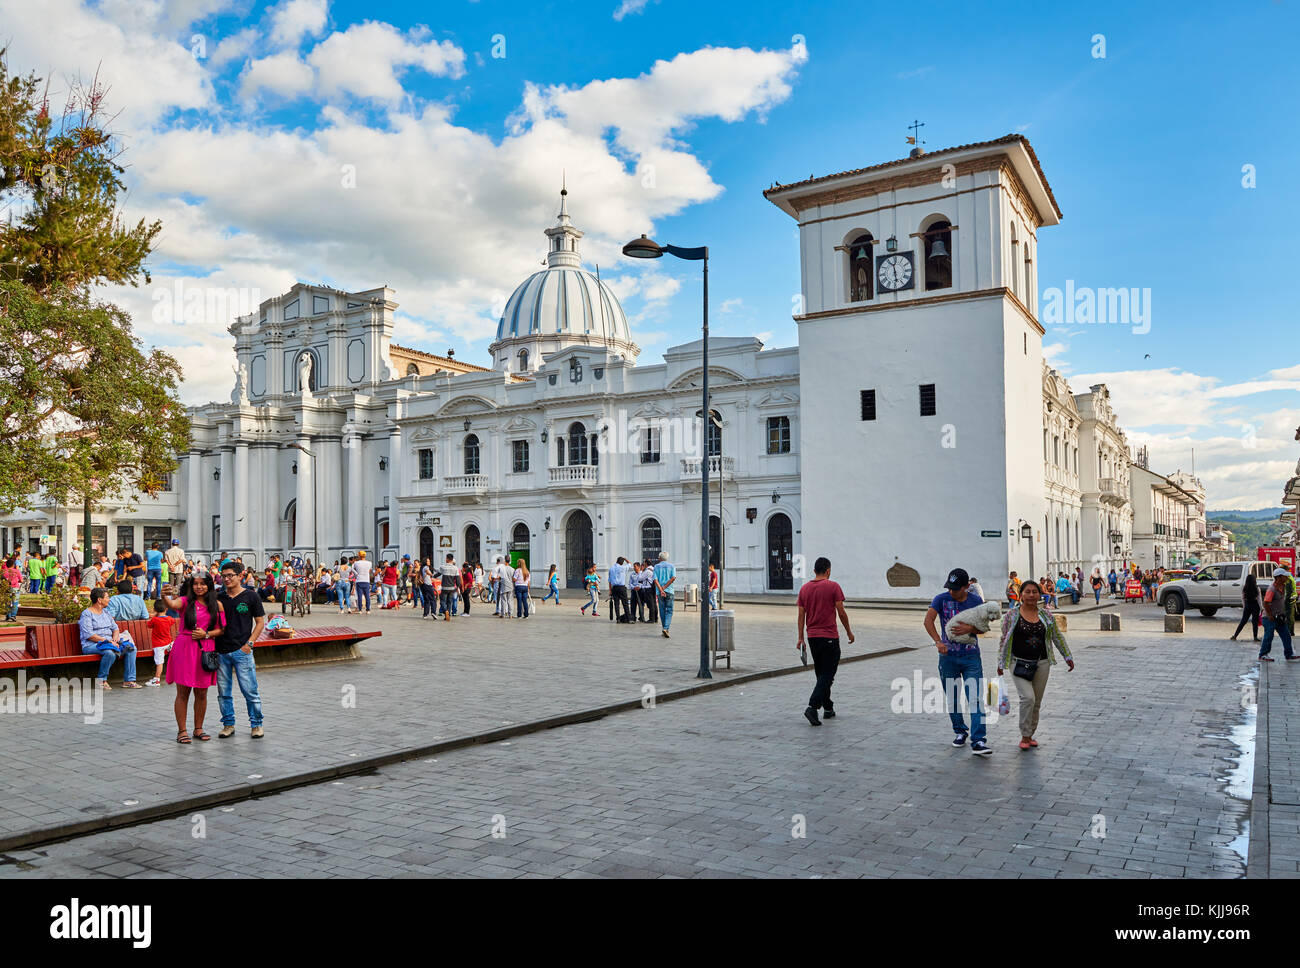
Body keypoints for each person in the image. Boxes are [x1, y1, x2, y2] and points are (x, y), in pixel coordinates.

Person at [996, 579, 1075, 750]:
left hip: (1042, 662)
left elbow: (1057, 636)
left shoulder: (1046, 615)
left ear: (1040, 594)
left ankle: (1030, 734)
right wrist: (1000, 662)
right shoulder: (1011, 616)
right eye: (1027, 592)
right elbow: (1004, 639)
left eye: (1035, 592)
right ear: (1021, 595)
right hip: (1017, 662)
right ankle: (1024, 735)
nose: (1031, 595)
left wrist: (1067, 656)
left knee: (1036, 701)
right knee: (1028, 698)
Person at [923, 567, 991, 755]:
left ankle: (979, 740)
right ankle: (960, 731)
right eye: (950, 588)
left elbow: (984, 628)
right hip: (948, 658)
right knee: (953, 697)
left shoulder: (975, 601)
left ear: (967, 586)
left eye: (956, 588)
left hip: (971, 657)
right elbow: (928, 621)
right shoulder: (941, 599)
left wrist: (970, 628)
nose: (951, 592)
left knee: (975, 698)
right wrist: (938, 641)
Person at [160, 573, 224, 743]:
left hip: (205, 649)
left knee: (202, 692)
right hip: (185, 648)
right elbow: (172, 604)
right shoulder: (185, 602)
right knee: (183, 692)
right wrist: (163, 596)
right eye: (195, 584)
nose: (199, 587)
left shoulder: (217, 605)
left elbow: (221, 629)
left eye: (203, 584)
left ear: (209, 585)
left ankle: (198, 728)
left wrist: (207, 634)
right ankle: (182, 731)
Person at [796, 556, 855, 726]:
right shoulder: (833, 586)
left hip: (812, 638)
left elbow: (801, 615)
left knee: (822, 674)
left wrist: (800, 637)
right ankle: (812, 707)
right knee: (827, 675)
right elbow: (841, 612)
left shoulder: (804, 589)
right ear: (828, 570)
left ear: (814, 571)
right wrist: (849, 632)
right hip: (829, 637)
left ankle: (828, 707)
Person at [215, 560, 268, 739]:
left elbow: (260, 622)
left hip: (242, 651)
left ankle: (256, 725)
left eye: (230, 575)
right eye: (224, 576)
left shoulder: (251, 596)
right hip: (221, 651)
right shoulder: (219, 597)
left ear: (240, 576)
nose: (227, 579)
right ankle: (228, 724)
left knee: (250, 690)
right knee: (223, 692)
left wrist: (249, 644)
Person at [80, 588, 140, 689]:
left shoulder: (106, 613)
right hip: (91, 645)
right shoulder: (87, 614)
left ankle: (129, 680)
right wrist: (108, 642)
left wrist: (115, 639)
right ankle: (102, 681)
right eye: (107, 597)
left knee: (131, 648)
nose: (109, 599)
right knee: (110, 652)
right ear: (99, 600)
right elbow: (89, 635)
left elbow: (115, 628)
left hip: (110, 643)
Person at [1260, 569, 1296, 662]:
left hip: (1279, 617)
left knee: (1286, 635)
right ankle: (1263, 654)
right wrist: (1270, 615)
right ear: (1278, 577)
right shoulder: (1272, 589)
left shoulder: (1283, 586)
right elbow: (1266, 603)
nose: (1287, 577)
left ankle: (1289, 654)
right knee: (1269, 636)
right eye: (1284, 576)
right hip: (1269, 618)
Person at [146, 598, 175, 687]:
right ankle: (171, 647)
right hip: (168, 642)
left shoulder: (155, 620)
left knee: (159, 663)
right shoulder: (169, 619)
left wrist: (154, 615)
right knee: (173, 644)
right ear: (166, 609)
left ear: (155, 609)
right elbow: (172, 622)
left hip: (158, 645)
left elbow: (149, 625)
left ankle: (157, 680)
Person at [1232, 571, 1262, 643]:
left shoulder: (1244, 588)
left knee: (1243, 621)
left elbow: (1242, 598)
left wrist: (1245, 606)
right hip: (1255, 606)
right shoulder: (1257, 588)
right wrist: (1261, 608)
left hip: (1248, 605)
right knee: (1254, 622)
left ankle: (1235, 635)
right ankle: (1255, 637)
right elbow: (1259, 599)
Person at [653, 551, 676, 637]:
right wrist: (665, 588)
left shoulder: (656, 566)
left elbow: (655, 580)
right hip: (669, 590)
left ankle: (664, 628)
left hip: (659, 592)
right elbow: (673, 578)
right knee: (669, 610)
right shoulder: (672, 566)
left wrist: (661, 589)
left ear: (659, 558)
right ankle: (666, 628)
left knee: (662, 610)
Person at [439, 553, 460, 621]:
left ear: (447, 559)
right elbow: (457, 579)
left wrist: (433, 576)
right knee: (449, 602)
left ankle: (445, 611)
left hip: (444, 587)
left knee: (442, 601)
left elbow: (439, 573)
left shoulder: (443, 567)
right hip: (452, 588)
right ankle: (448, 615)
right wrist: (458, 586)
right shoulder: (456, 568)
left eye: (446, 558)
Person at [610, 556, 629, 622]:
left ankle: (618, 618)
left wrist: (610, 590)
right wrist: (626, 559)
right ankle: (628, 618)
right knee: (625, 603)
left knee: (616, 604)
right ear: (622, 562)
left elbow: (609, 580)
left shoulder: (611, 568)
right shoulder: (623, 568)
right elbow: (629, 564)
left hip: (614, 588)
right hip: (621, 587)